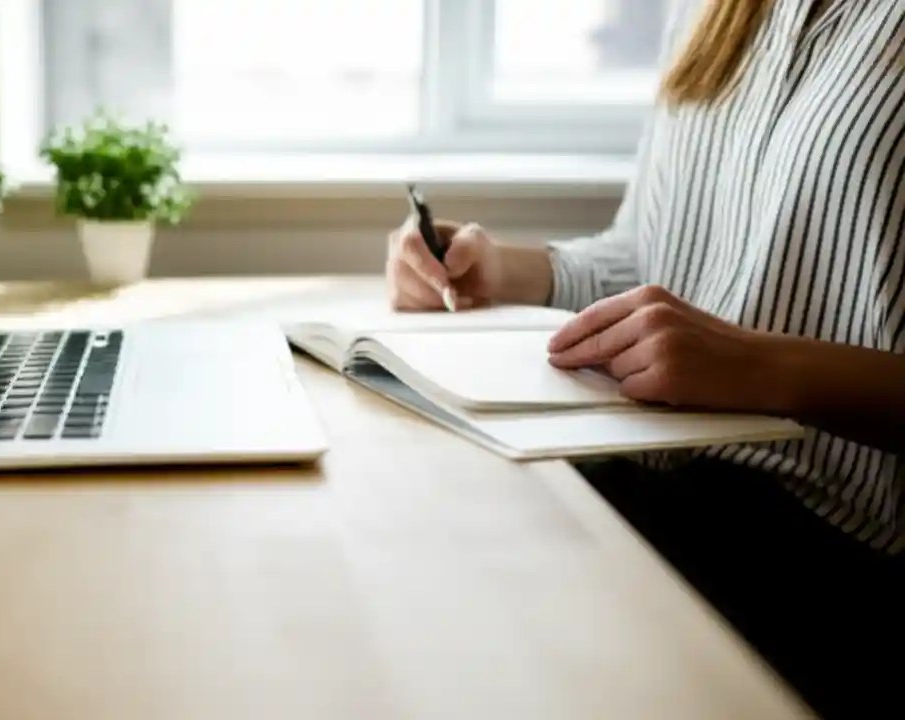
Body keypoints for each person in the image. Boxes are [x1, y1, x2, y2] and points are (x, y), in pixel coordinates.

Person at [386, 1, 905, 717]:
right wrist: (505, 271)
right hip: (661, 480)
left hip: (835, 554)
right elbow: (652, 255)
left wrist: (759, 369)